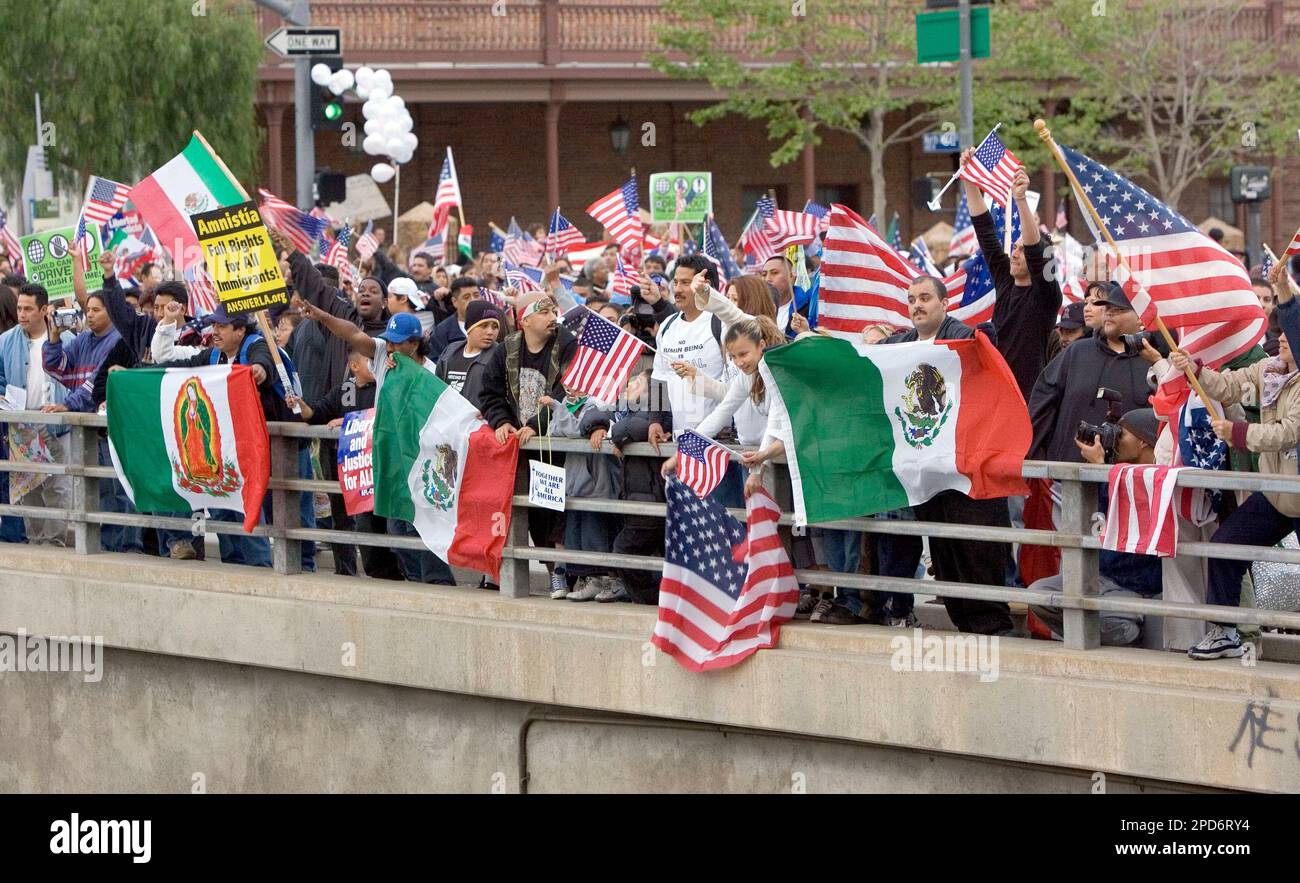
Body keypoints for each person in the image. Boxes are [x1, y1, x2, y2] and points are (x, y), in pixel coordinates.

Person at [877, 276, 1015, 635]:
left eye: (925, 298)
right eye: (911, 300)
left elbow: (986, 352)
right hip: (931, 475)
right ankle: (967, 626)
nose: (917, 305)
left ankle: (993, 631)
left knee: (976, 552)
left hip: (969, 470)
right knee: (946, 553)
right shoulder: (903, 343)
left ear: (944, 303)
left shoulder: (963, 336)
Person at [299, 303, 456, 585]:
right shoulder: (384, 356)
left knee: (423, 523)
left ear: (414, 342)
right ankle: (415, 579)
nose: (391, 347)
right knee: (396, 525)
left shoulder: (433, 371)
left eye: (398, 343)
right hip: (391, 455)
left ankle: (437, 582)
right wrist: (322, 315)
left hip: (422, 457)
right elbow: (355, 336)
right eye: (389, 341)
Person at [153, 305, 315, 571]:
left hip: (284, 448)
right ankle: (243, 565)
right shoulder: (214, 355)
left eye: (221, 327)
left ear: (240, 330)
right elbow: (172, 365)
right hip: (243, 451)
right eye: (214, 326)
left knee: (292, 512)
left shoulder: (257, 346)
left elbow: (264, 363)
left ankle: (303, 567)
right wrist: (132, 371)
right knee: (237, 506)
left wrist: (259, 370)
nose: (214, 331)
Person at [1170, 330, 1300, 660]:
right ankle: (1225, 631)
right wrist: (1195, 370)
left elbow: (1289, 433)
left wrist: (1237, 433)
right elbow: (1229, 385)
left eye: (1290, 331)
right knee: (1226, 547)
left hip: (1290, 490)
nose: (1282, 338)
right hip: (1277, 493)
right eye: (1280, 330)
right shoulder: (1269, 370)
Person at [1027, 408, 1163, 645]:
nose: (1115, 440)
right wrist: (1100, 469)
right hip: (1100, 578)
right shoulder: (1113, 472)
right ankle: (1098, 632)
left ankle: (1119, 631)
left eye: (1122, 434)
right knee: (1038, 594)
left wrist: (1102, 469)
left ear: (1143, 442)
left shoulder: (1160, 477)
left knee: (1117, 620)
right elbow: (1098, 510)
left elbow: (1132, 509)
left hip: (1138, 587)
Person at [478, 292, 579, 596]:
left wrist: (537, 425)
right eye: (544, 311)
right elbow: (490, 395)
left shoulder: (566, 344)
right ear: (525, 320)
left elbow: (571, 394)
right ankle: (553, 573)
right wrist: (501, 422)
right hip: (520, 449)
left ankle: (565, 573)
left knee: (559, 513)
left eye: (553, 310)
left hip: (557, 446)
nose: (552, 317)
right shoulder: (505, 350)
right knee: (533, 515)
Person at [286, 345, 404, 581]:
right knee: (341, 518)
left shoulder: (387, 386)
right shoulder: (342, 390)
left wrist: (350, 421)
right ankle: (345, 572)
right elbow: (318, 413)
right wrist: (301, 405)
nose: (376, 365)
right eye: (370, 361)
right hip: (345, 465)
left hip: (379, 467)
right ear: (354, 366)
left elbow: (390, 415)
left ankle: (388, 572)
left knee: (375, 522)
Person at [958, 149, 1063, 400]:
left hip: (1027, 397)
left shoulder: (1046, 296)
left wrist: (1020, 199)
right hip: (995, 392)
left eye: (1021, 250)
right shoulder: (1006, 281)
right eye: (1014, 247)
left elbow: (1036, 251)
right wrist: (970, 180)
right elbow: (985, 231)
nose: (1015, 253)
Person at [42, 290, 141, 554]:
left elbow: (95, 383)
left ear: (111, 312)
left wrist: (68, 405)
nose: (90, 315)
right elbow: (57, 369)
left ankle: (129, 547)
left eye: (96, 310)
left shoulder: (119, 340)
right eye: (88, 310)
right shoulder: (83, 339)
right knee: (101, 490)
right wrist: (53, 340)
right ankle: (108, 544)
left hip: (116, 429)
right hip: (90, 432)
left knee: (122, 489)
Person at [1027, 281, 1156, 463]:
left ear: (1141, 318)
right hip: (1066, 474)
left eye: (1118, 310)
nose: (1109, 313)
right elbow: (1041, 405)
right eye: (1107, 308)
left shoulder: (1154, 361)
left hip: (1126, 479)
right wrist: (1036, 454)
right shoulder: (1076, 352)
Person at [0, 284, 72, 545]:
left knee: (57, 485)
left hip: (56, 424)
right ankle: (35, 539)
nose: (22, 314)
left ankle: (55, 540)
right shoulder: (6, 341)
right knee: (26, 486)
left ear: (44, 310)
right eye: (19, 308)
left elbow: (76, 378)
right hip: (21, 423)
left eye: (28, 309)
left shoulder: (68, 341)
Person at [435, 299, 501, 408]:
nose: (490, 332)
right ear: (469, 327)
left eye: (495, 327)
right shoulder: (450, 351)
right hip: (451, 419)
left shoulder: (500, 355)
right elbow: (437, 388)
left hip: (483, 422)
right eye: (483, 326)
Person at [427, 276, 482, 362]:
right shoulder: (442, 331)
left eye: (476, 295)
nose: (473, 300)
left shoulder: (492, 325)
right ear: (455, 302)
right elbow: (436, 363)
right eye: (466, 297)